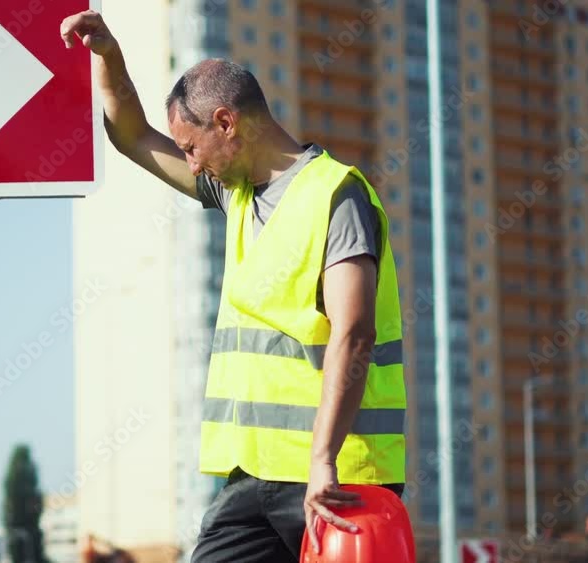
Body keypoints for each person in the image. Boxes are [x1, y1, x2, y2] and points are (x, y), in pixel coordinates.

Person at [61, 10, 408, 562]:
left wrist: (323, 459)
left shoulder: (336, 194)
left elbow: (355, 333)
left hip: (339, 477)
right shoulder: (236, 196)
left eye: (191, 147)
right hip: (253, 479)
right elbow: (132, 135)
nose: (192, 165)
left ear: (226, 123)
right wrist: (109, 57)